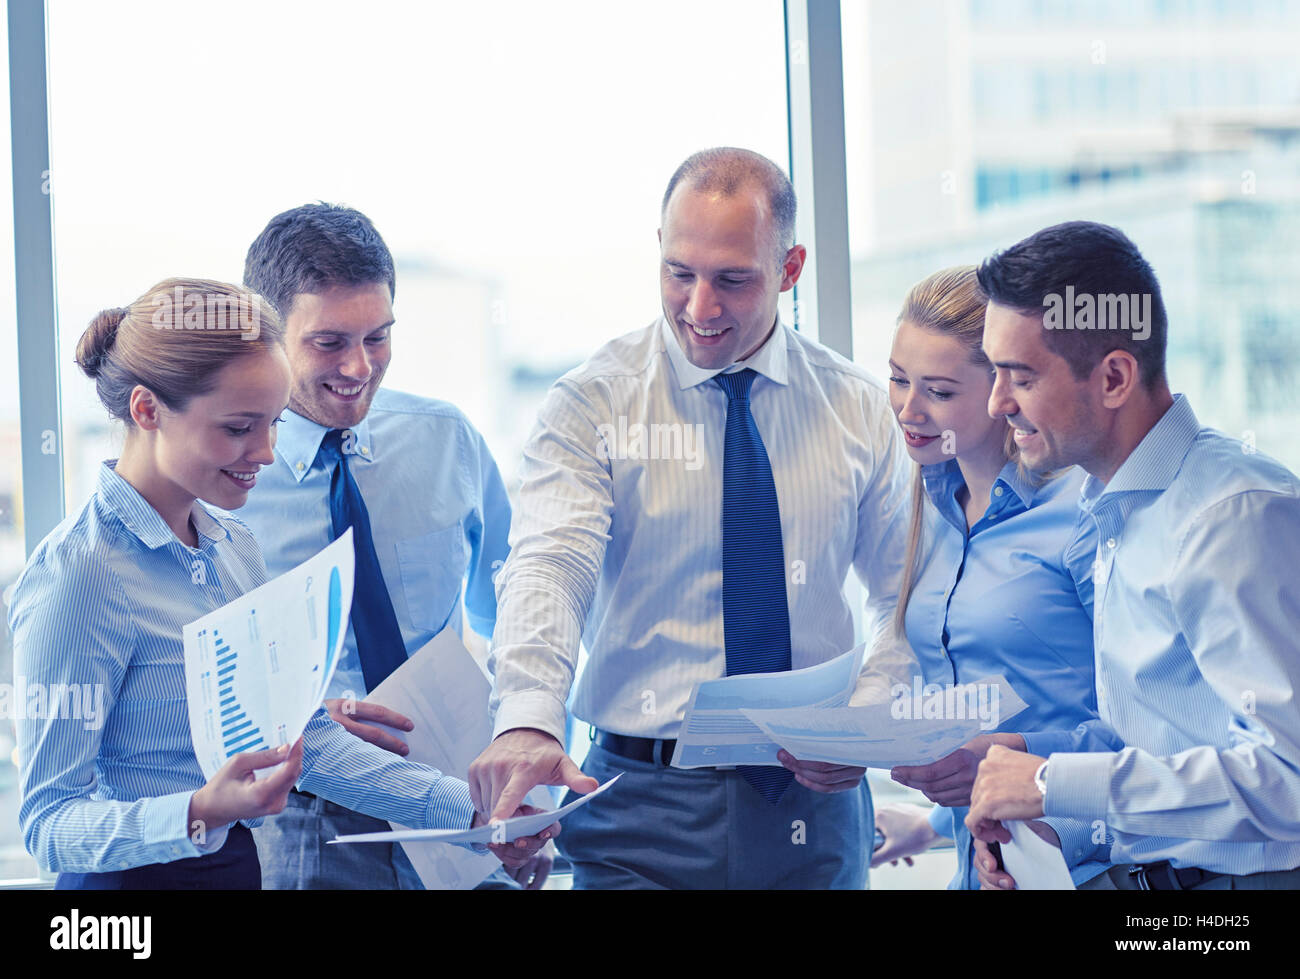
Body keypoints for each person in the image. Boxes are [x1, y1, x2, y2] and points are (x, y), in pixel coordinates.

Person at [469, 147, 919, 889]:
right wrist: (527, 715)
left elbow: (903, 594)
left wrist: (867, 717)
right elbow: (551, 563)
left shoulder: (858, 406)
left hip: (813, 799)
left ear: (791, 266)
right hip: (637, 806)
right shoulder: (595, 402)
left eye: (732, 280)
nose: (699, 307)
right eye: (680, 272)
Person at [9, 278, 552, 889]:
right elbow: (50, 824)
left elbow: (307, 744)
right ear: (146, 410)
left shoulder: (232, 546)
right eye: (240, 427)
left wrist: (478, 813)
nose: (266, 453)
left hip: (235, 872)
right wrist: (197, 813)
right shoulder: (81, 577)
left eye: (273, 423)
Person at [963, 220, 1300, 890]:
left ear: (1114, 376)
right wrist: (1052, 819)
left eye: (1018, 376)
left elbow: (1288, 779)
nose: (997, 402)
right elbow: (1164, 750)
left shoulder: (1230, 516)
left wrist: (1055, 779)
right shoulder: (1110, 507)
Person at [236, 204, 536, 889]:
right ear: (267, 333)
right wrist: (308, 722)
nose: (359, 365)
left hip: (460, 802)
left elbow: (517, 619)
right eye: (329, 341)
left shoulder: (448, 441)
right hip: (307, 820)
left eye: (378, 336)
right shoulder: (224, 480)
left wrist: (530, 773)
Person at [868, 266, 1106, 888]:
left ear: (1004, 390)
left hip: (1087, 863)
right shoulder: (928, 508)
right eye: (897, 379)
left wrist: (1016, 758)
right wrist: (928, 812)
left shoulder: (1080, 512)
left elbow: (1148, 725)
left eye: (940, 392)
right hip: (987, 862)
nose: (908, 409)